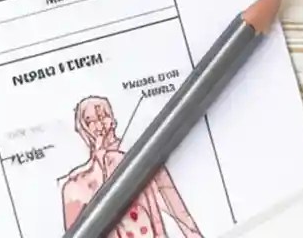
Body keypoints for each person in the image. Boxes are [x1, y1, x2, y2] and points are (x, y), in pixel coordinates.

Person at [61, 96, 203, 238]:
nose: (99, 126)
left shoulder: (141, 158)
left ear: (112, 119)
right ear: (82, 129)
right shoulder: (75, 185)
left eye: (103, 116)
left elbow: (178, 211)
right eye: (90, 121)